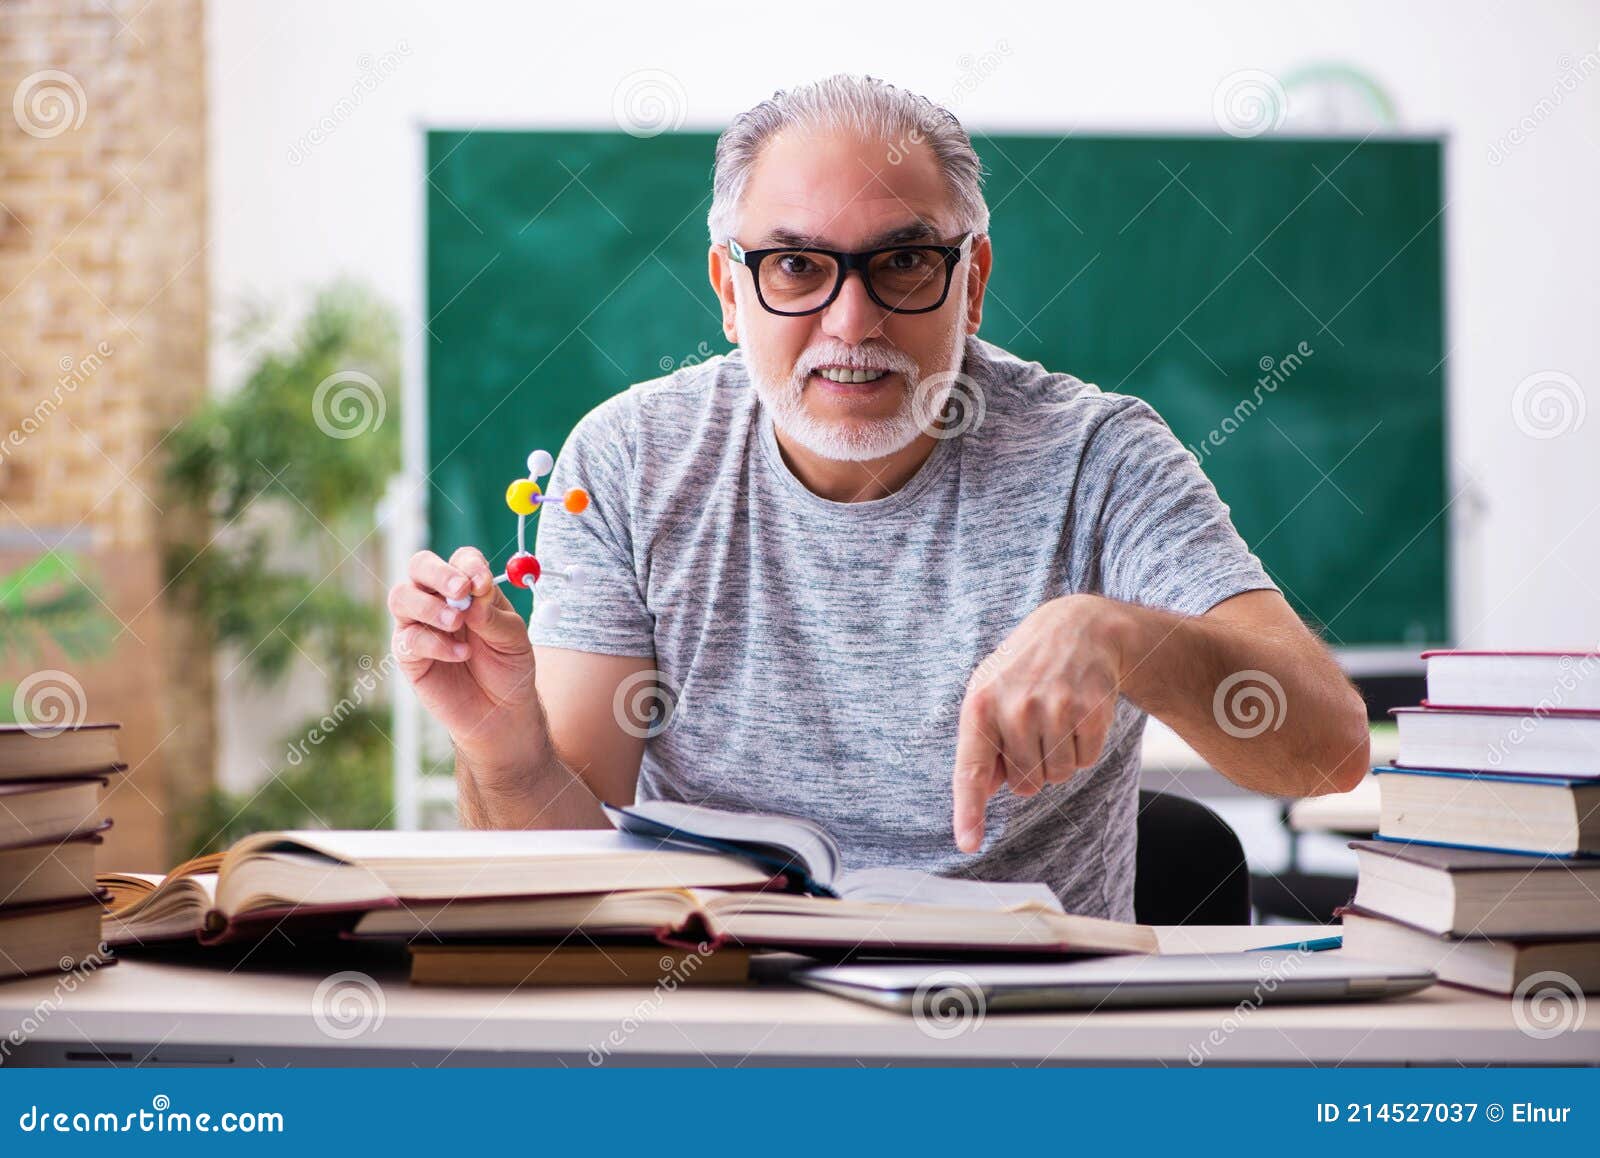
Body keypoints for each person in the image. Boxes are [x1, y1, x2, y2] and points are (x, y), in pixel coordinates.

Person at [388, 74, 1368, 920]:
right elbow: (575, 886)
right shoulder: (628, 463)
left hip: (1030, 1055)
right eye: (796, 266)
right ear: (729, 292)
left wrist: (1121, 638)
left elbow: (1327, 753)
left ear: (971, 281)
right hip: (720, 1043)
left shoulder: (1100, 459)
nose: (849, 322)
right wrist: (502, 746)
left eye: (903, 261)